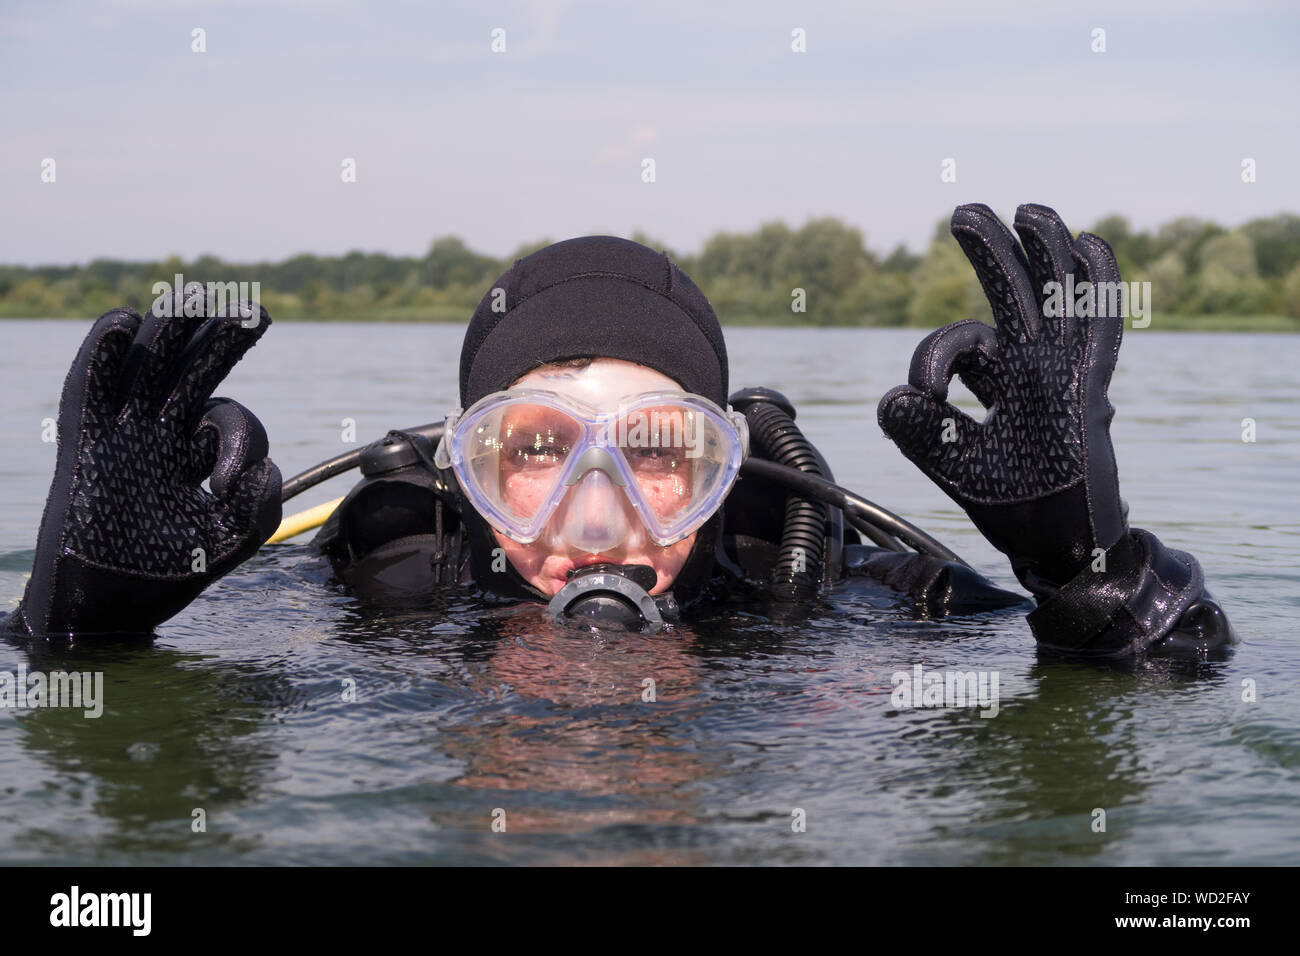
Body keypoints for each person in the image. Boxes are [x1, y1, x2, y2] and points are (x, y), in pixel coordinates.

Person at [2, 203, 1236, 657]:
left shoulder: (817, 590)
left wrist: (1091, 569)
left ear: (725, 464)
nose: (596, 521)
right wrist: (76, 621)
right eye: (535, 448)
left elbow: (1186, 687)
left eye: (654, 450)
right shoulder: (371, 579)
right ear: (464, 467)